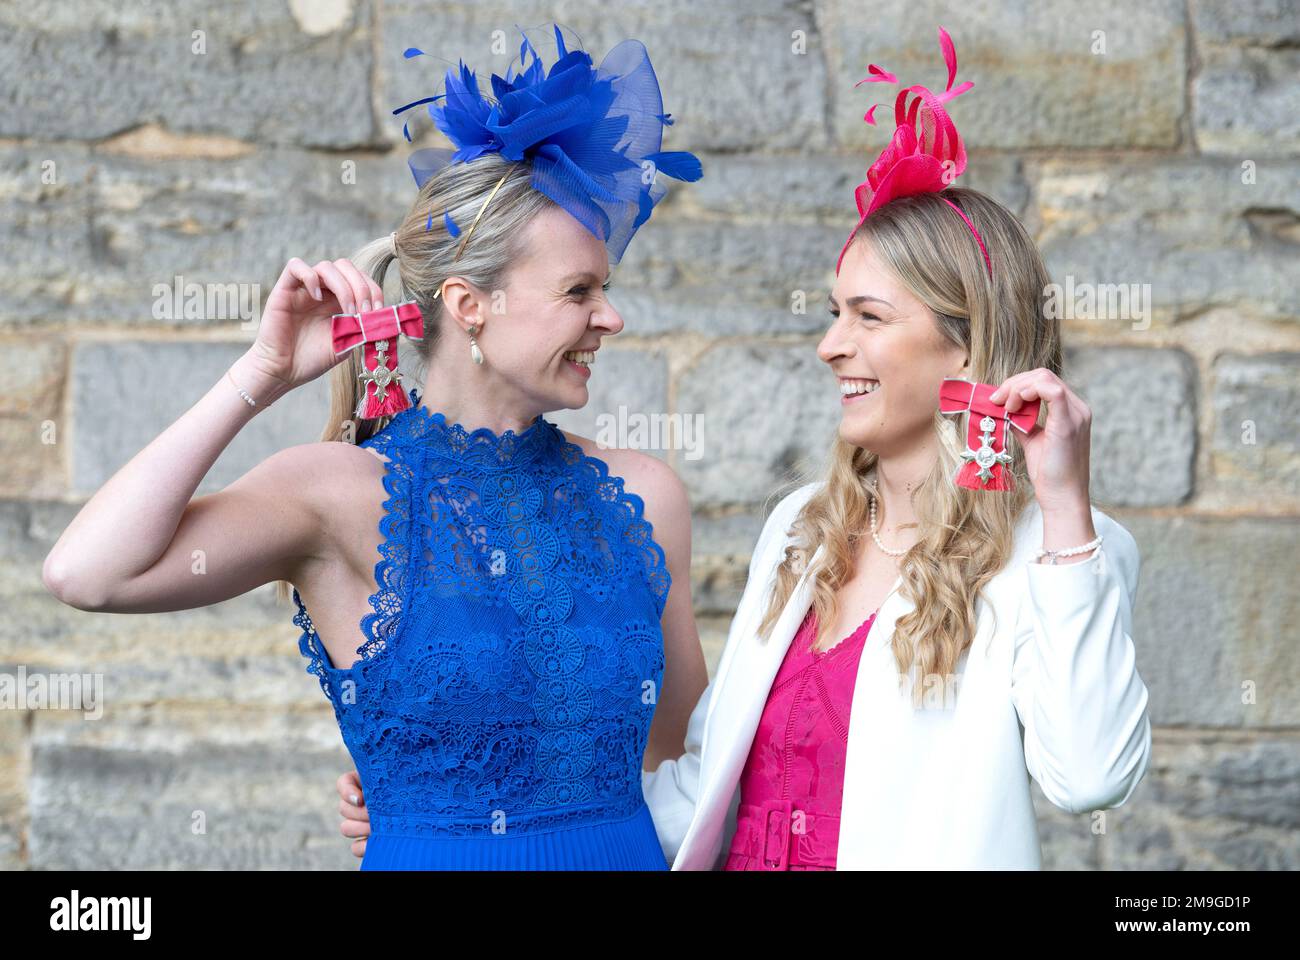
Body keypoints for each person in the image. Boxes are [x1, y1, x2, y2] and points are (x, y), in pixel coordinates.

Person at [335, 26, 1154, 871]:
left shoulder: (1057, 554)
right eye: (834, 313)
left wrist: (1064, 507)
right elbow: (708, 784)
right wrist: (470, 802)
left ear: (968, 346)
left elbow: (1091, 776)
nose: (830, 346)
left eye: (867, 318)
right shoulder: (805, 528)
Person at [42, 25, 707, 870]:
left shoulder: (647, 496)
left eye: (605, 290)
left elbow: (686, 762)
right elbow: (88, 574)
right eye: (580, 291)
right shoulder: (336, 492)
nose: (609, 318)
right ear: (471, 305)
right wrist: (263, 372)